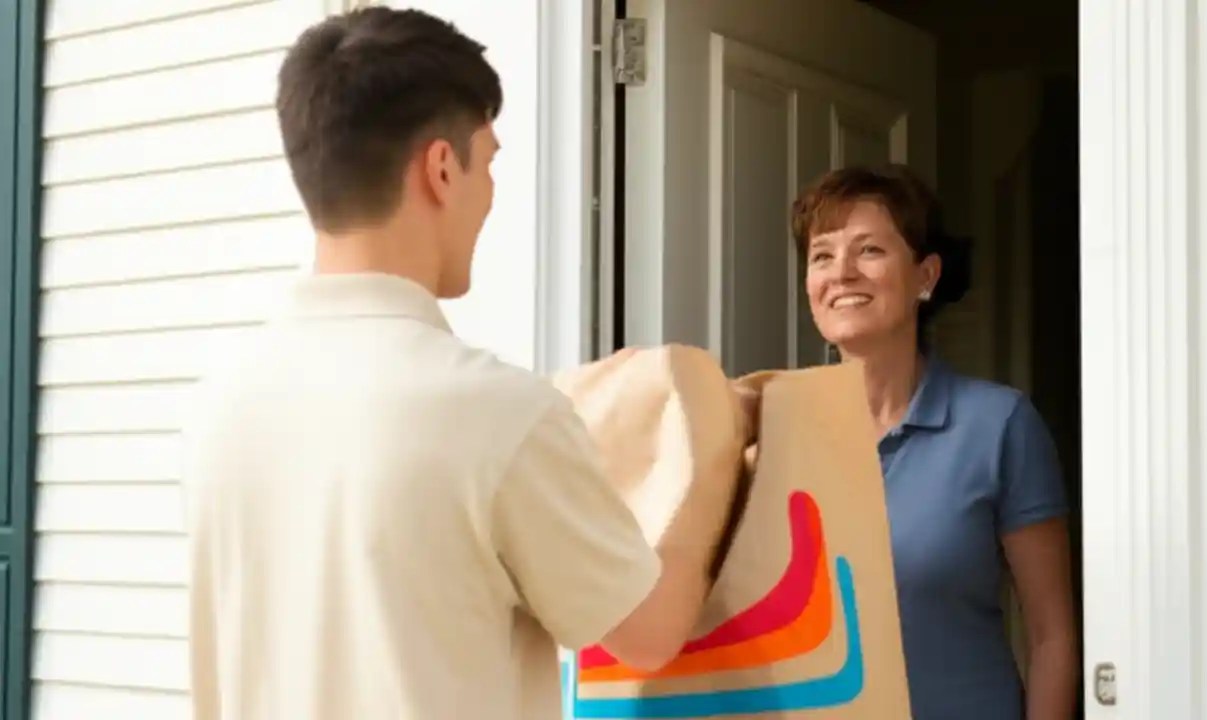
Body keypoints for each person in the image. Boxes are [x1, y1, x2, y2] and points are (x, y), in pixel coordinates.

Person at [182, 8, 743, 719]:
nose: (491, 192)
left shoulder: (219, 402)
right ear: (442, 169)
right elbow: (650, 632)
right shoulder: (500, 413)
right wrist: (715, 449)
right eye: (491, 161)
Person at [790, 165, 1078, 719]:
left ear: (926, 276)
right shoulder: (777, 436)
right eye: (822, 255)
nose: (842, 272)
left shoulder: (999, 425)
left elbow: (1052, 638)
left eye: (869, 250)